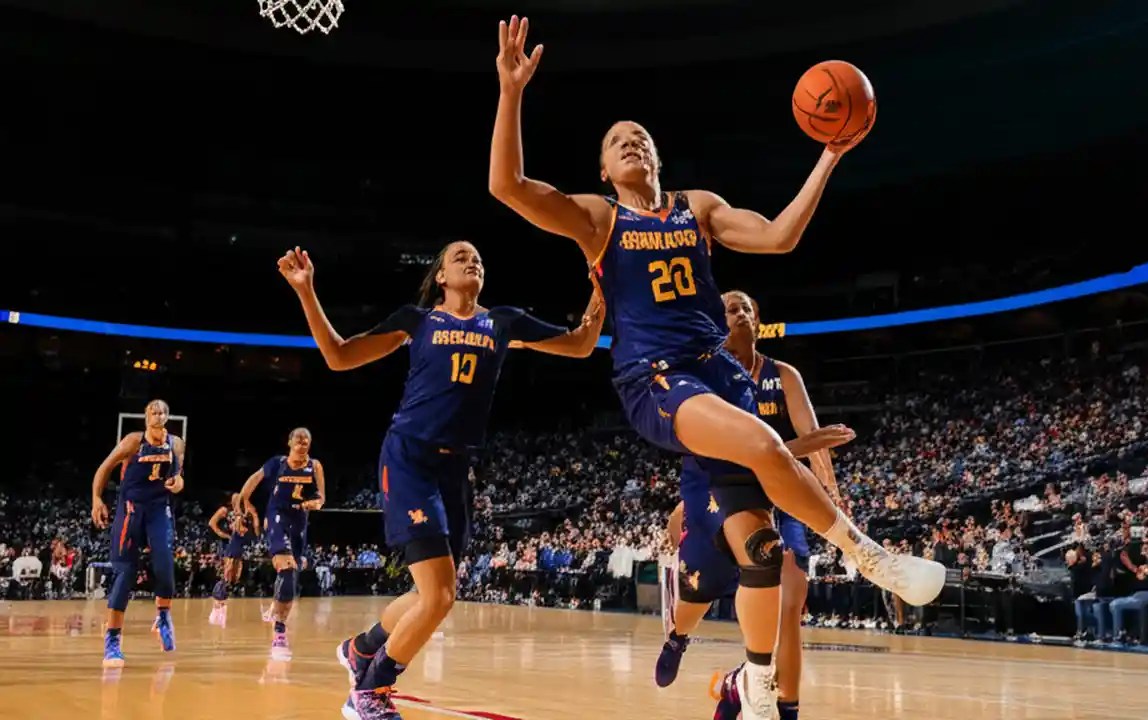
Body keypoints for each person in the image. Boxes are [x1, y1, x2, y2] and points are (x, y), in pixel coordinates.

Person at [489, 16, 943, 719]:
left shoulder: (696, 208)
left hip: (714, 373)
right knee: (764, 446)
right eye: (616, 141)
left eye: (640, 136)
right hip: (655, 377)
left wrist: (828, 156)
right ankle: (868, 555)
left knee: (762, 552)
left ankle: (757, 688)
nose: (631, 141)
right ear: (604, 171)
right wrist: (511, 90)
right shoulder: (598, 220)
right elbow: (508, 186)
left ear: (658, 157)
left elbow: (780, 236)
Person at [272, 241, 604, 720]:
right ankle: (369, 691)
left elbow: (581, 343)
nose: (473, 260)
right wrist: (305, 291)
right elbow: (339, 357)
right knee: (440, 595)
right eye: (461, 256)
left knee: (427, 593)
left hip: (455, 470)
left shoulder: (503, 321)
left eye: (479, 257)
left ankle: (362, 648)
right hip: (409, 457)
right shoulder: (419, 320)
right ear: (442, 278)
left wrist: (602, 295)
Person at [655, 291, 851, 720]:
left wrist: (832, 499)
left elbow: (815, 441)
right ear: (715, 321)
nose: (740, 314)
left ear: (758, 321)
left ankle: (777, 705)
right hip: (724, 488)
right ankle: (683, 641)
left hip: (780, 495)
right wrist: (802, 446)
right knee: (703, 584)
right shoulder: (705, 376)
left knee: (791, 603)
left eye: (747, 308)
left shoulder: (783, 375)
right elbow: (736, 452)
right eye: (731, 309)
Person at [91, 398, 185, 668]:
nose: (158, 415)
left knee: (166, 565)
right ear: (146, 416)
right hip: (131, 508)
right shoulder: (134, 441)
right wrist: (98, 499)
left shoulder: (176, 444)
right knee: (126, 573)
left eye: (163, 411)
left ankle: (163, 616)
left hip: (158, 508)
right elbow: (104, 467)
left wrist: (177, 483)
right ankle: (112, 640)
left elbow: (179, 478)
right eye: (153, 411)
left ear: (168, 416)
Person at [235, 428, 324, 659]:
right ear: (289, 442)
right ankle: (280, 632)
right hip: (277, 517)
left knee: (291, 574)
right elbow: (253, 479)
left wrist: (315, 503)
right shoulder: (278, 463)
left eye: (307, 440)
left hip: (299, 519)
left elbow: (321, 498)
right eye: (298, 439)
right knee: (286, 567)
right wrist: (244, 504)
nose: (302, 442)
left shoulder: (315, 466)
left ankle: (277, 608)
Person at [207, 492, 260, 627]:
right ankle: (218, 604)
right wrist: (224, 535)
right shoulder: (225, 510)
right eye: (235, 498)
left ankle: (222, 605)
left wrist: (252, 515)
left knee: (235, 577)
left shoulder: (244, 511)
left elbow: (254, 529)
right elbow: (212, 523)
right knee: (227, 572)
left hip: (240, 543)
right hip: (230, 543)